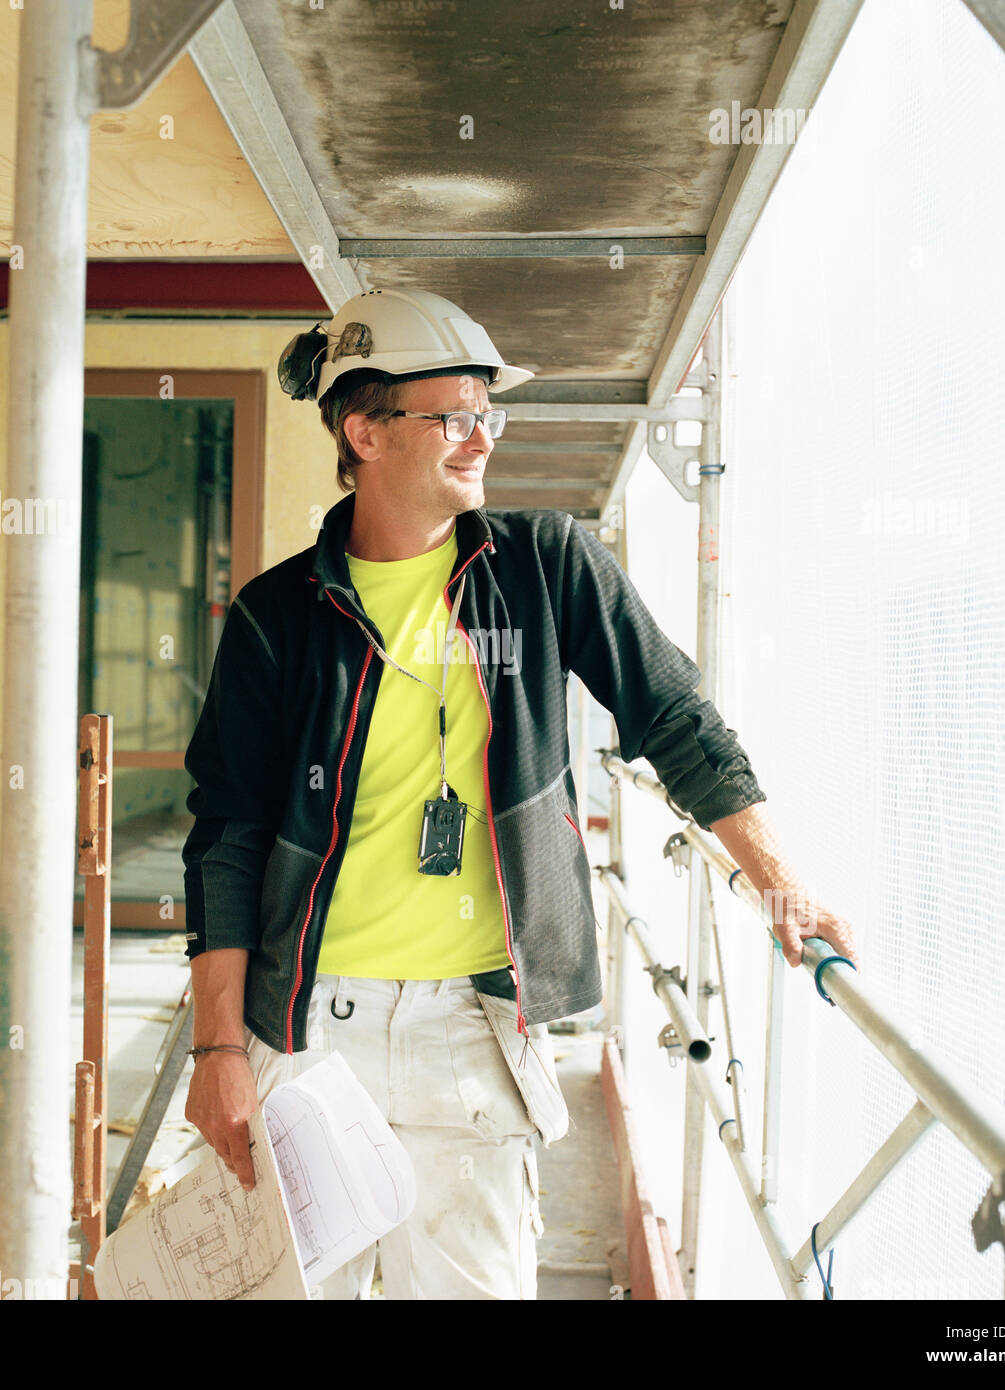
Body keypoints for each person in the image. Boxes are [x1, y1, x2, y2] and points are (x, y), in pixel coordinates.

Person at [180, 287, 857, 1300]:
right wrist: (217, 1047)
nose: (481, 438)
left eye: (487, 414)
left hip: (477, 1034)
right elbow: (228, 837)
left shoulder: (546, 568)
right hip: (309, 1033)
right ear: (363, 430)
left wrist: (777, 878)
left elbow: (674, 716)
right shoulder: (277, 617)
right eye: (451, 416)